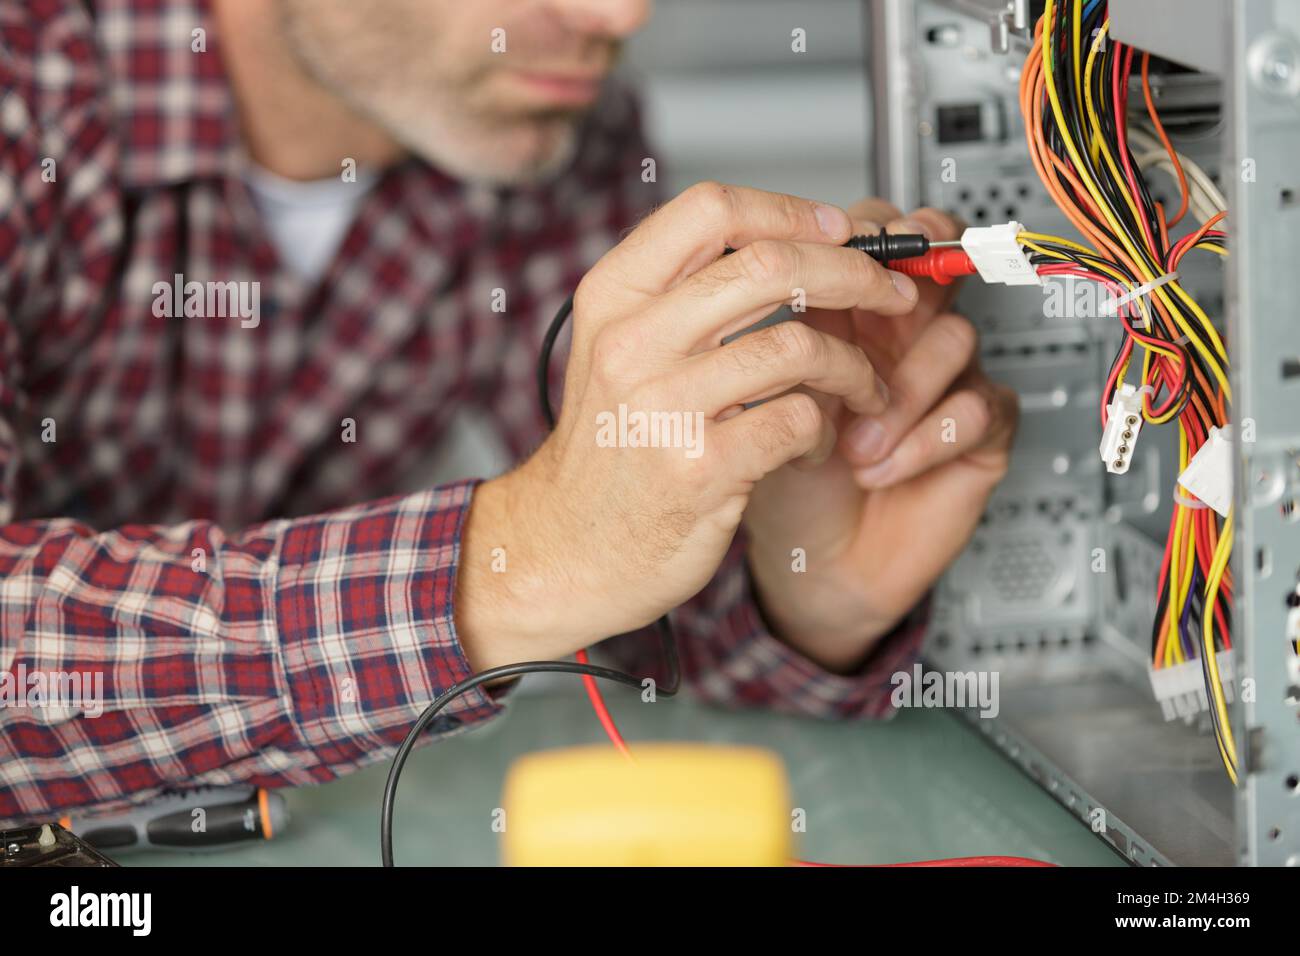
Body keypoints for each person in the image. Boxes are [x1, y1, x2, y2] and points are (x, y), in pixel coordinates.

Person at [0, 0, 1018, 824]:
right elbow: (552, 562)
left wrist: (810, 589)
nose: (618, 15)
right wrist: (506, 565)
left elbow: (629, 601)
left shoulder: (546, 132)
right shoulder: (26, 89)